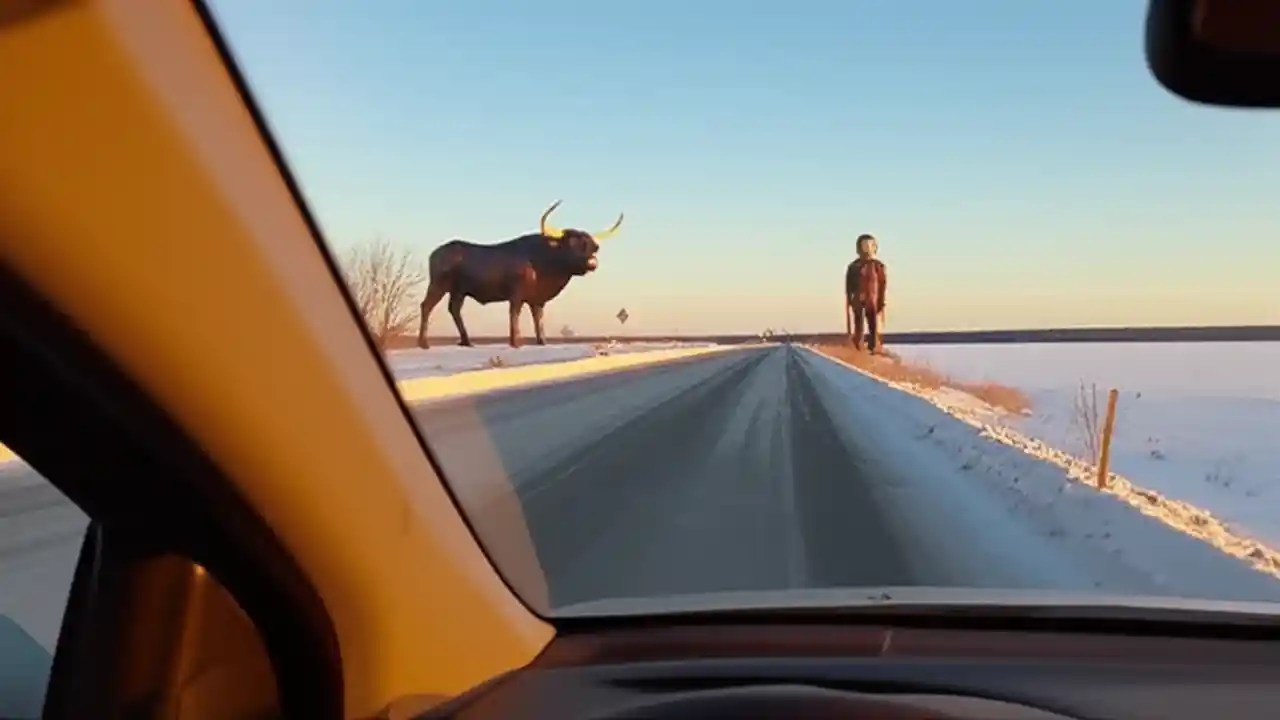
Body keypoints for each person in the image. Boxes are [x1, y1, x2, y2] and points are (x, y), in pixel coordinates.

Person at [845, 233, 888, 353]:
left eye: (869, 246)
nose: (867, 248)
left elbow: (882, 284)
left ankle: (873, 346)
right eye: (864, 246)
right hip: (858, 299)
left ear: (874, 247)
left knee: (873, 323)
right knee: (858, 323)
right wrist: (849, 299)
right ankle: (857, 345)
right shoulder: (853, 267)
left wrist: (882, 300)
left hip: (873, 299)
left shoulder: (878, 266)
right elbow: (849, 284)